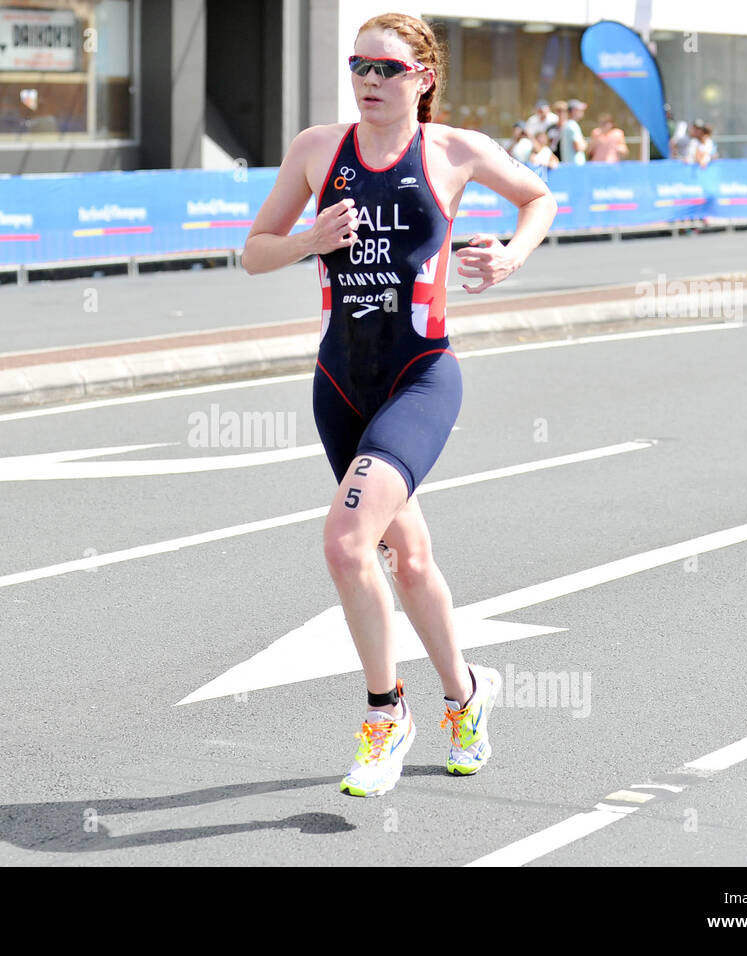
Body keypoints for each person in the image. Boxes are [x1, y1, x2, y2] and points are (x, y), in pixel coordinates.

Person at [240, 12, 556, 798]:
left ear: (423, 77)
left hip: (420, 375)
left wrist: (512, 255)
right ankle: (468, 698)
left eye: (387, 69)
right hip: (341, 381)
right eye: (359, 67)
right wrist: (310, 240)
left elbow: (539, 196)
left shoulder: (451, 151)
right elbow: (253, 252)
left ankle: (387, 713)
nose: (370, 82)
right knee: (406, 560)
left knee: (348, 543)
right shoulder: (321, 149)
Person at [559, 98, 587, 166]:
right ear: (574, 110)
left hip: (571, 166)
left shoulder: (568, 124)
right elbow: (579, 147)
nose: (582, 112)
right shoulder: (572, 125)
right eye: (580, 110)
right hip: (575, 167)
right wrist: (586, 143)